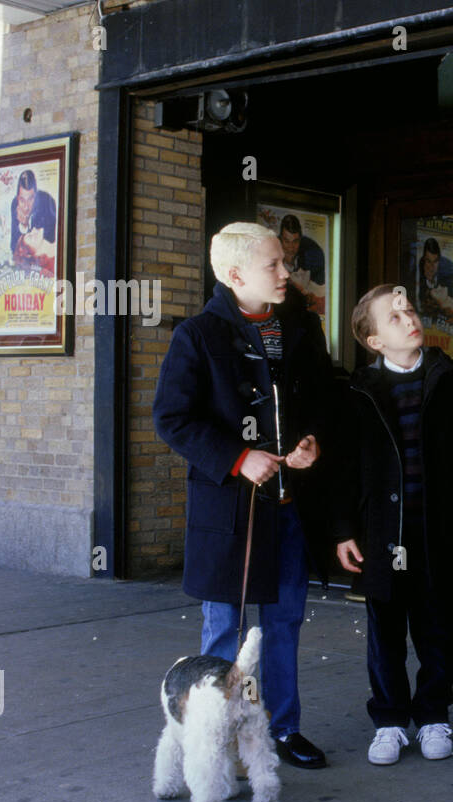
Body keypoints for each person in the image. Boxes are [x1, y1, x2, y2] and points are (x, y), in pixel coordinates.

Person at [153, 221, 339, 769]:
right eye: (274, 265)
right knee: (225, 629)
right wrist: (238, 457)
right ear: (235, 275)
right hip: (229, 514)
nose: (287, 273)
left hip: (288, 510)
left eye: (286, 262)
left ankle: (282, 728)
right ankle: (216, 735)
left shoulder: (301, 327)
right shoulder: (197, 335)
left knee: (283, 623)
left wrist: (311, 442)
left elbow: (324, 400)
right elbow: (171, 418)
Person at [333, 285, 453, 765]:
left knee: (439, 627)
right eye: (394, 317)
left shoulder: (452, 378)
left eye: (410, 309)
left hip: (437, 528)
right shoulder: (357, 391)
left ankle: (435, 714)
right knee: (386, 632)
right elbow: (345, 468)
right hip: (383, 534)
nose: (409, 318)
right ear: (374, 341)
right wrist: (343, 529)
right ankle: (391, 720)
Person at [8, 170, 57, 274]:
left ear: (36, 195)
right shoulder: (15, 205)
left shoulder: (47, 201)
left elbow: (52, 239)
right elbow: (14, 247)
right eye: (22, 200)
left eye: (30, 199)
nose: (26, 207)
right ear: (18, 197)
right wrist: (23, 226)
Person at [277, 214, 326, 314]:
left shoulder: (312, 255)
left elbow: (319, 297)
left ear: (300, 240)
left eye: (295, 242)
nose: (291, 248)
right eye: (287, 241)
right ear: (281, 240)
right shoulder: (271, 258)